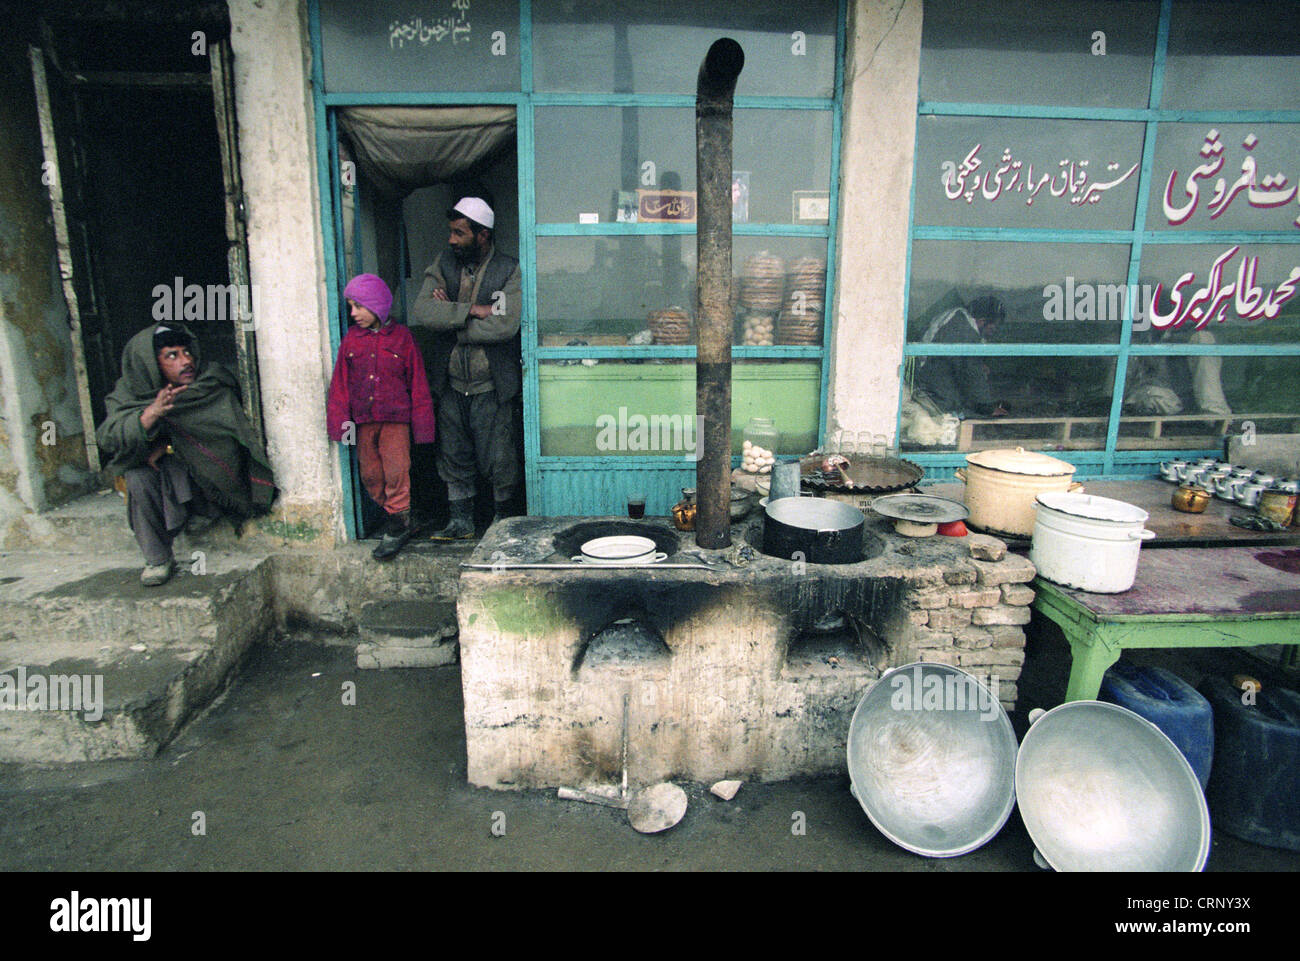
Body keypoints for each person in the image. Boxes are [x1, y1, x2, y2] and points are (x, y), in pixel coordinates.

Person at [96, 323, 277, 586]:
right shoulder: (129, 394)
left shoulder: (212, 384)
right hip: (168, 480)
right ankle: (157, 559)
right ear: (149, 363)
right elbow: (108, 438)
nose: (187, 361)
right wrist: (151, 415)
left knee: (169, 463)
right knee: (136, 475)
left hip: (208, 485)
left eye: (187, 352)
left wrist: (170, 446)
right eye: (173, 355)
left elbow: (224, 442)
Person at [409, 196, 523, 540]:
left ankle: (501, 521)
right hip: (451, 383)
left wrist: (452, 320)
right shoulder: (443, 264)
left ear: (483, 235)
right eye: (451, 232)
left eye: (459, 233)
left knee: (498, 457)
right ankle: (461, 522)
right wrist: (472, 310)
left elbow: (505, 325)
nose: (451, 240)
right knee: (453, 454)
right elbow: (424, 312)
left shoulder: (508, 270)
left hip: (491, 383)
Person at [327, 274, 436, 560]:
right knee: (371, 474)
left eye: (358, 307)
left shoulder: (402, 339)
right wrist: (340, 424)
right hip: (364, 421)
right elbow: (340, 385)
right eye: (350, 307)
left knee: (397, 470)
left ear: (377, 305)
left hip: (396, 421)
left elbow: (418, 384)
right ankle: (402, 517)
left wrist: (423, 427)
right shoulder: (351, 340)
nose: (353, 314)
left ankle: (398, 524)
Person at [913, 294, 1009, 420]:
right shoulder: (963, 330)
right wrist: (987, 407)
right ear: (982, 321)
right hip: (933, 392)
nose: (994, 331)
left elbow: (960, 362)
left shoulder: (957, 318)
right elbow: (971, 372)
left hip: (926, 382)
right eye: (993, 326)